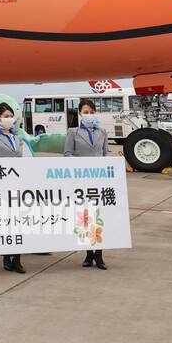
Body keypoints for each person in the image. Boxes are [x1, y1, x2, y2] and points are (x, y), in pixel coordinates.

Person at [0, 101, 30, 274]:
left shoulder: (17, 137)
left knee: (17, 222)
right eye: (5, 116)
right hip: (1, 187)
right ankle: (6, 257)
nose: (9, 119)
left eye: (11, 116)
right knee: (5, 223)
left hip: (17, 186)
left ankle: (17, 258)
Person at [66, 98, 110, 269]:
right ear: (79, 113)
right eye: (86, 112)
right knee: (85, 218)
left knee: (99, 219)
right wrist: (80, 165)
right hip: (82, 182)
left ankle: (99, 255)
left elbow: (105, 155)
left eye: (92, 112)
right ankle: (88, 254)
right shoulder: (73, 132)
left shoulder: (102, 132)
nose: (89, 115)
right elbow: (67, 154)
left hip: (99, 182)